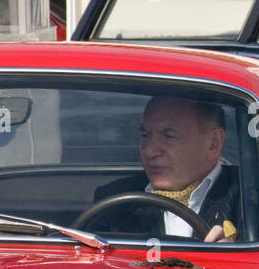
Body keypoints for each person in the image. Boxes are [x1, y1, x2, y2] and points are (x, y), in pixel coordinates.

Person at [91, 96, 239, 241]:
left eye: (169, 136)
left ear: (213, 143)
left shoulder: (251, 199)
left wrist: (236, 257)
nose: (149, 151)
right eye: (145, 135)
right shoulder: (114, 201)